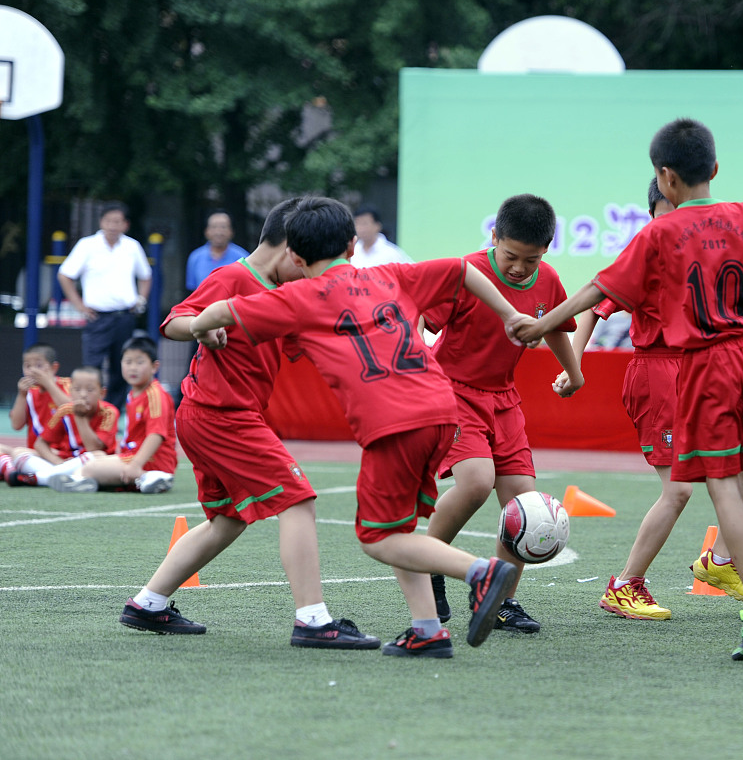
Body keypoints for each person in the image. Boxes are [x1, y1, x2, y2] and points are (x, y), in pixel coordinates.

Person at [514, 118, 743, 661]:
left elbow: (594, 290)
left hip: (704, 366)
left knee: (722, 485)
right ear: (714, 170)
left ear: (664, 178)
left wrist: (539, 326)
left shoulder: (659, 235)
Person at [185, 195, 530, 658]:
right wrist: (509, 313)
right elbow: (462, 271)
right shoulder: (390, 274)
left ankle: (480, 572)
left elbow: (220, 313)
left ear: (295, 257)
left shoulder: (298, 295)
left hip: (394, 423)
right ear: (352, 245)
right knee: (400, 527)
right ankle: (427, 630)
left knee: (378, 537)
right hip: (442, 409)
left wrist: (204, 328)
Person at [110, 199, 378, 649]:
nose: (313, 273)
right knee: (298, 501)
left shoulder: (284, 291)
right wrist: (201, 326)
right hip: (221, 416)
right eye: (308, 261)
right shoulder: (234, 276)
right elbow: (173, 321)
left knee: (228, 519)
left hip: (211, 416)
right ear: (291, 251)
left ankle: (147, 604)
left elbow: (317, 341)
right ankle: (313, 620)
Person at [423, 194, 584, 635]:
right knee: (476, 482)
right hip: (453, 393)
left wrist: (574, 373)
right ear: (493, 237)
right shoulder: (465, 272)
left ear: (546, 250)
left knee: (526, 507)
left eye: (530, 259)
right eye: (511, 256)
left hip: (504, 400)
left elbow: (553, 326)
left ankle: (500, 599)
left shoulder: (546, 278)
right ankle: (427, 560)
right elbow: (422, 320)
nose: (519, 267)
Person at [49, 336, 176, 494]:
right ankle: (81, 480)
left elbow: (156, 434)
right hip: (133, 456)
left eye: (140, 362)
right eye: (128, 362)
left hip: (151, 461)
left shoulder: (154, 395)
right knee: (94, 457)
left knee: (90, 467)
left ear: (154, 367)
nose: (133, 368)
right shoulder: (134, 394)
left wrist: (135, 465)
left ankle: (149, 476)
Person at [57, 202, 152, 407]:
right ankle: (89, 409)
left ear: (125, 224)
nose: (112, 226)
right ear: (101, 222)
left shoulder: (132, 246)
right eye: (108, 221)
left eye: (117, 221)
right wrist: (79, 305)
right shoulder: (87, 245)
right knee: (92, 366)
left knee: (122, 367)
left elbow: (146, 276)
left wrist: (141, 300)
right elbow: (65, 275)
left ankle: (114, 411)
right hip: (97, 317)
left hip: (125, 316)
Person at [9, 342, 72, 449]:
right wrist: (21, 395)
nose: (32, 370)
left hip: (63, 450)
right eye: (27, 366)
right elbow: (16, 425)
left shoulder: (67, 384)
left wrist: (48, 384)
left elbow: (71, 412)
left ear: (54, 368)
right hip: (35, 452)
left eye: (39, 366)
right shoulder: (28, 392)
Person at [185, 211, 249, 292]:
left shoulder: (243, 257)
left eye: (223, 227)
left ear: (231, 232)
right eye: (214, 227)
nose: (219, 232)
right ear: (206, 232)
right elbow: (192, 290)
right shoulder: (195, 257)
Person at [350, 205, 414, 268]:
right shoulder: (351, 253)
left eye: (365, 223)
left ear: (378, 226)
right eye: (358, 224)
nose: (361, 228)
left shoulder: (392, 253)